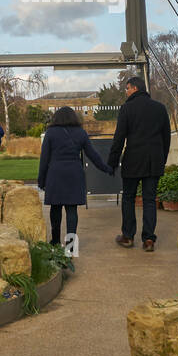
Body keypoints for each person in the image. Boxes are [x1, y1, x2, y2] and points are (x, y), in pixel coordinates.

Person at [107, 75, 171, 252]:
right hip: (153, 163)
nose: (126, 92)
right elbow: (166, 138)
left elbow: (119, 138)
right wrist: (162, 160)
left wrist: (112, 162)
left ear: (134, 88)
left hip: (133, 161)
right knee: (150, 200)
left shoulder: (127, 109)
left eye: (127, 89)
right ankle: (149, 239)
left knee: (128, 198)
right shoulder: (160, 108)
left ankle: (128, 236)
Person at [37, 106, 111, 249]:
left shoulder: (50, 133)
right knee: (72, 211)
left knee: (55, 209)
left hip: (55, 174)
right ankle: (71, 247)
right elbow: (93, 155)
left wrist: (41, 179)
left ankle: (56, 241)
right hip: (74, 174)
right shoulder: (81, 133)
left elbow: (44, 159)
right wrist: (106, 168)